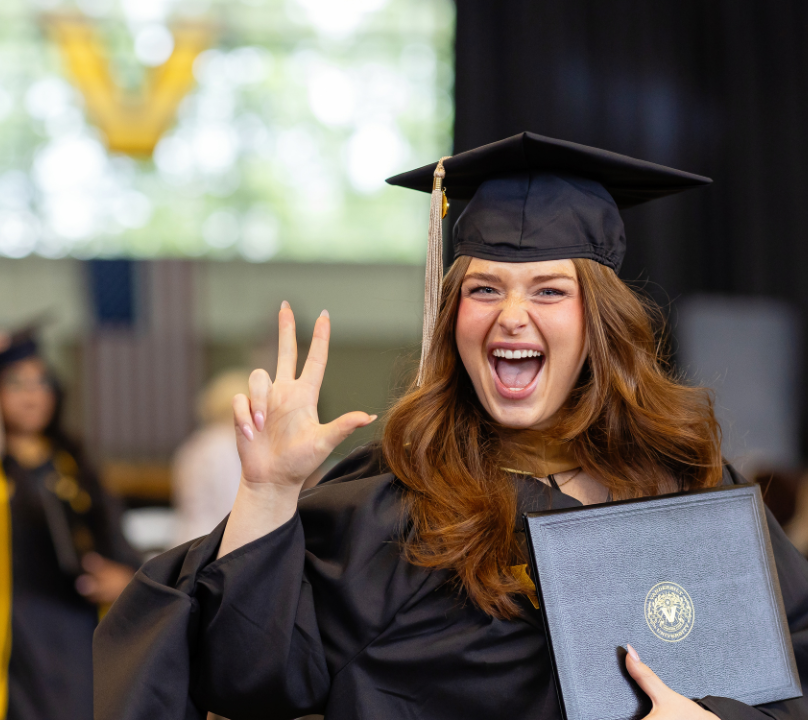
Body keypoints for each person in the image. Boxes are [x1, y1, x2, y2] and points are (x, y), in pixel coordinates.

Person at [94, 133, 808, 720]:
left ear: (601, 323)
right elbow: (247, 682)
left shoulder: (687, 487)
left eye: (550, 290)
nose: (511, 316)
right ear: (452, 317)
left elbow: (791, 661)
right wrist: (268, 491)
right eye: (484, 288)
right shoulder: (393, 504)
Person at [0, 329, 140, 720]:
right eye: (15, 384)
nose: (31, 395)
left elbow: (116, 542)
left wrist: (125, 577)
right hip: (14, 629)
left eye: (40, 382)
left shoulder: (75, 465)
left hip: (73, 627)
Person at [172, 370, 250, 546]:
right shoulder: (227, 447)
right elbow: (231, 506)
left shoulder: (195, 444)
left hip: (187, 538)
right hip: (215, 542)